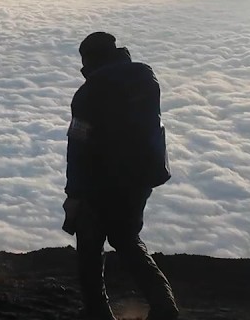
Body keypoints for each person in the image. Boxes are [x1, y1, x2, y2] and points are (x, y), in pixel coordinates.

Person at [64, 32, 179, 320]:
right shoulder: (145, 79)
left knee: (89, 243)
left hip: (101, 180)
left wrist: (74, 193)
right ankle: (163, 303)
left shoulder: (89, 93)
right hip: (142, 176)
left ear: (90, 59)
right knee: (126, 237)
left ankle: (97, 311)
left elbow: (78, 145)